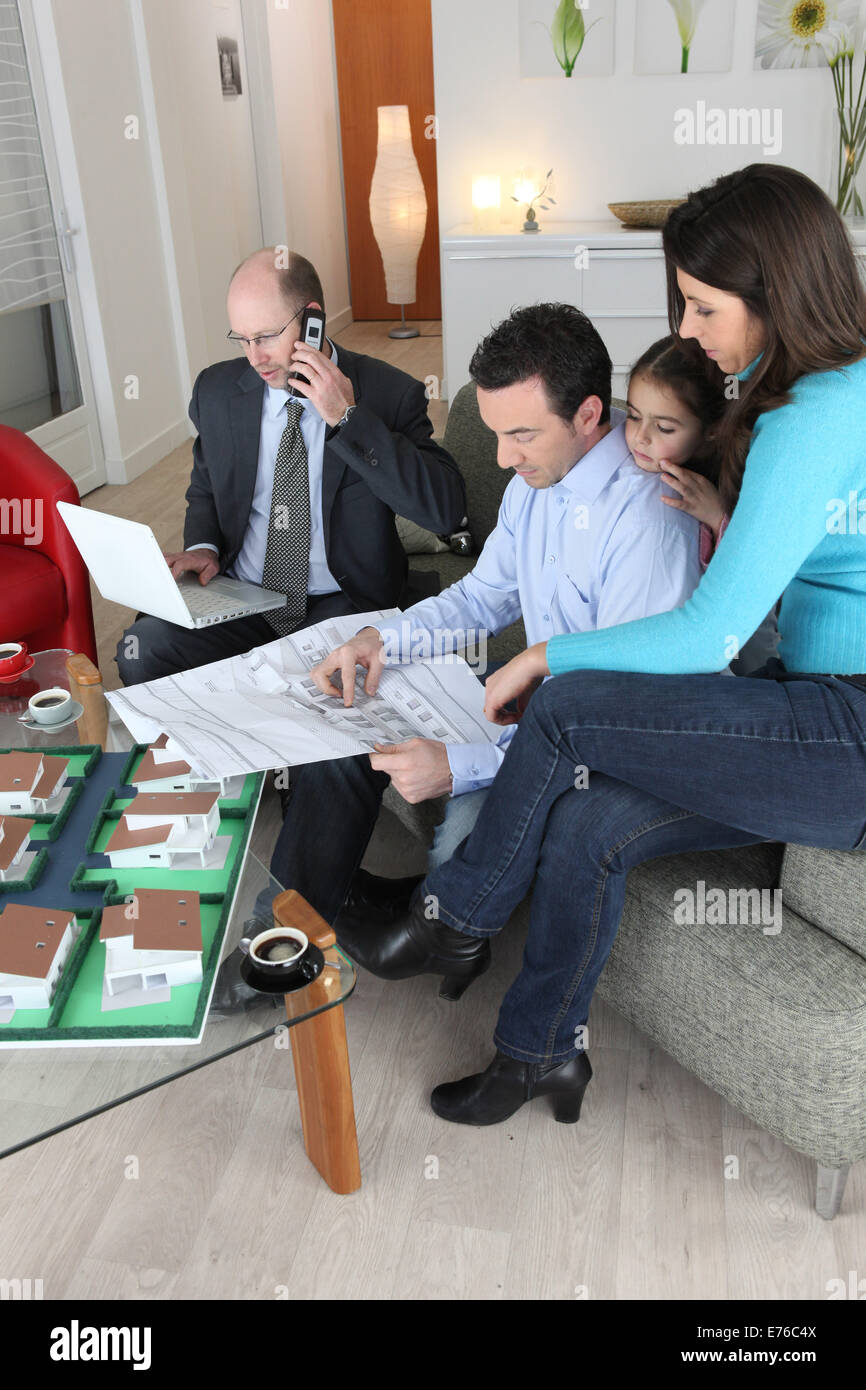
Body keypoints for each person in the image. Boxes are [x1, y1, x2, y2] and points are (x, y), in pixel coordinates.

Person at [334, 163, 866, 1128]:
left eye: (704, 306)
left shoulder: (814, 416)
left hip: (846, 731)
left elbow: (708, 636)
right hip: (809, 702)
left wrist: (541, 658)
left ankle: (453, 921)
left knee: (570, 702)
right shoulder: (823, 397)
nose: (688, 332)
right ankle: (539, 1054)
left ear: (776, 290)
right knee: (589, 825)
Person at [273, 304, 708, 935]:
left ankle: (428, 926)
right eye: (496, 434)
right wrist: (380, 640)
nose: (503, 458)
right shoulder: (535, 480)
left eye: (521, 435)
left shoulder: (648, 518)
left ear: (588, 414)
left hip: (605, 726)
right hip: (536, 694)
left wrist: (462, 765)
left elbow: (611, 711)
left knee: (463, 845)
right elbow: (481, 598)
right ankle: (285, 926)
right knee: (351, 704)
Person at [115, 248, 466, 685]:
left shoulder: (388, 392)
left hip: (341, 600)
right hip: (240, 598)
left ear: (312, 319)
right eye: (242, 339)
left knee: (314, 686)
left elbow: (445, 512)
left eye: (265, 337)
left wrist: (348, 419)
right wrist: (203, 548)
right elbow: (205, 486)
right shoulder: (216, 390)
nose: (254, 357)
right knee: (141, 651)